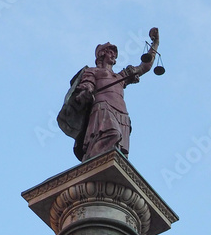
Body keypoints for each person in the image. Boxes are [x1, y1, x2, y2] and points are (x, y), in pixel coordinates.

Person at [58, 28, 159, 162]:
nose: (113, 55)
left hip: (122, 114)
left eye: (114, 53)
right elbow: (87, 85)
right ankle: (89, 165)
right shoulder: (93, 71)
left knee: (120, 155)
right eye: (110, 52)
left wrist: (155, 43)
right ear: (102, 54)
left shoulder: (120, 77)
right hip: (103, 108)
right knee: (112, 134)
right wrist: (85, 92)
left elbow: (144, 67)